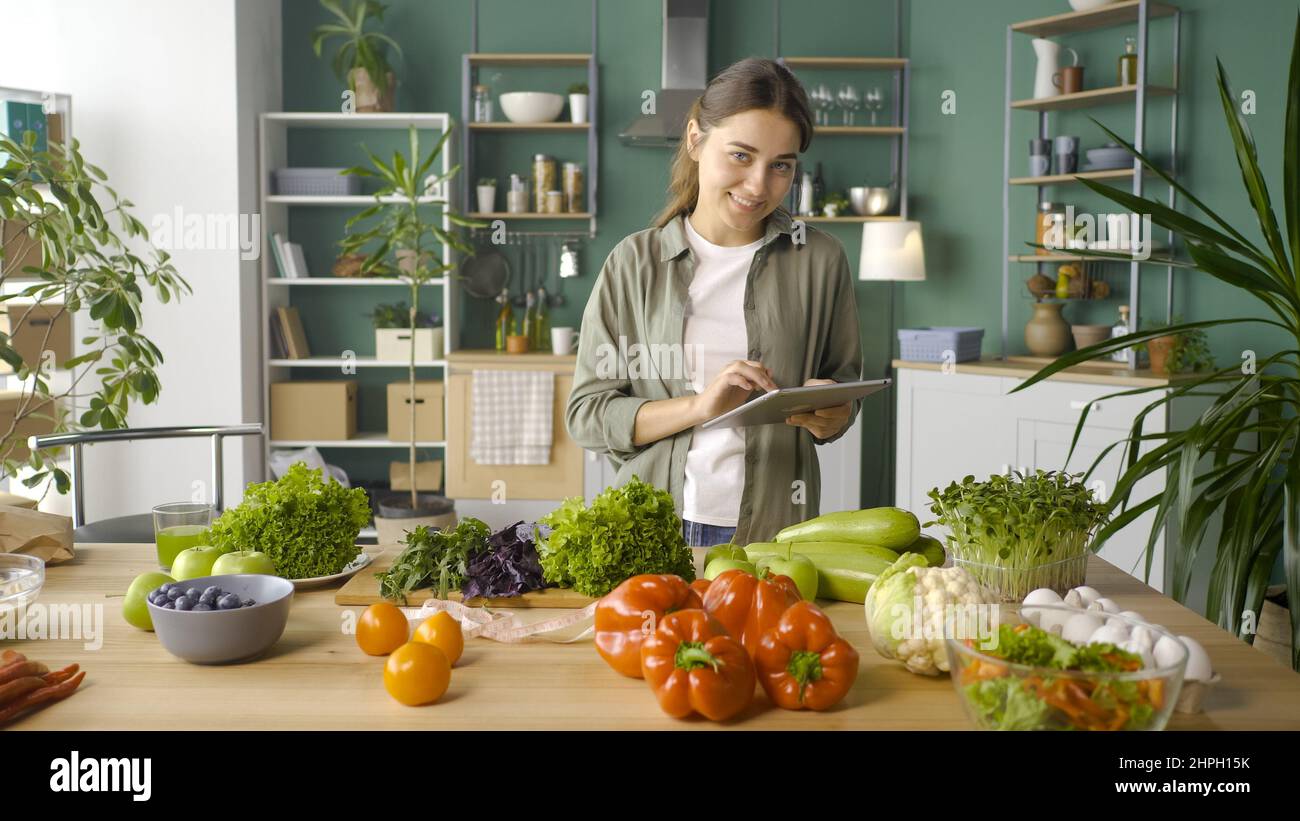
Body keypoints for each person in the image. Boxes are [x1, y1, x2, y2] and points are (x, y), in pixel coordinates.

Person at [565, 56, 864, 547]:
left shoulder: (821, 259)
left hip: (776, 531)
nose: (757, 186)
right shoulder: (633, 263)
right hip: (653, 529)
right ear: (696, 140)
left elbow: (843, 388)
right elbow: (589, 415)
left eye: (780, 166)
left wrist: (833, 414)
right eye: (741, 156)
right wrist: (701, 406)